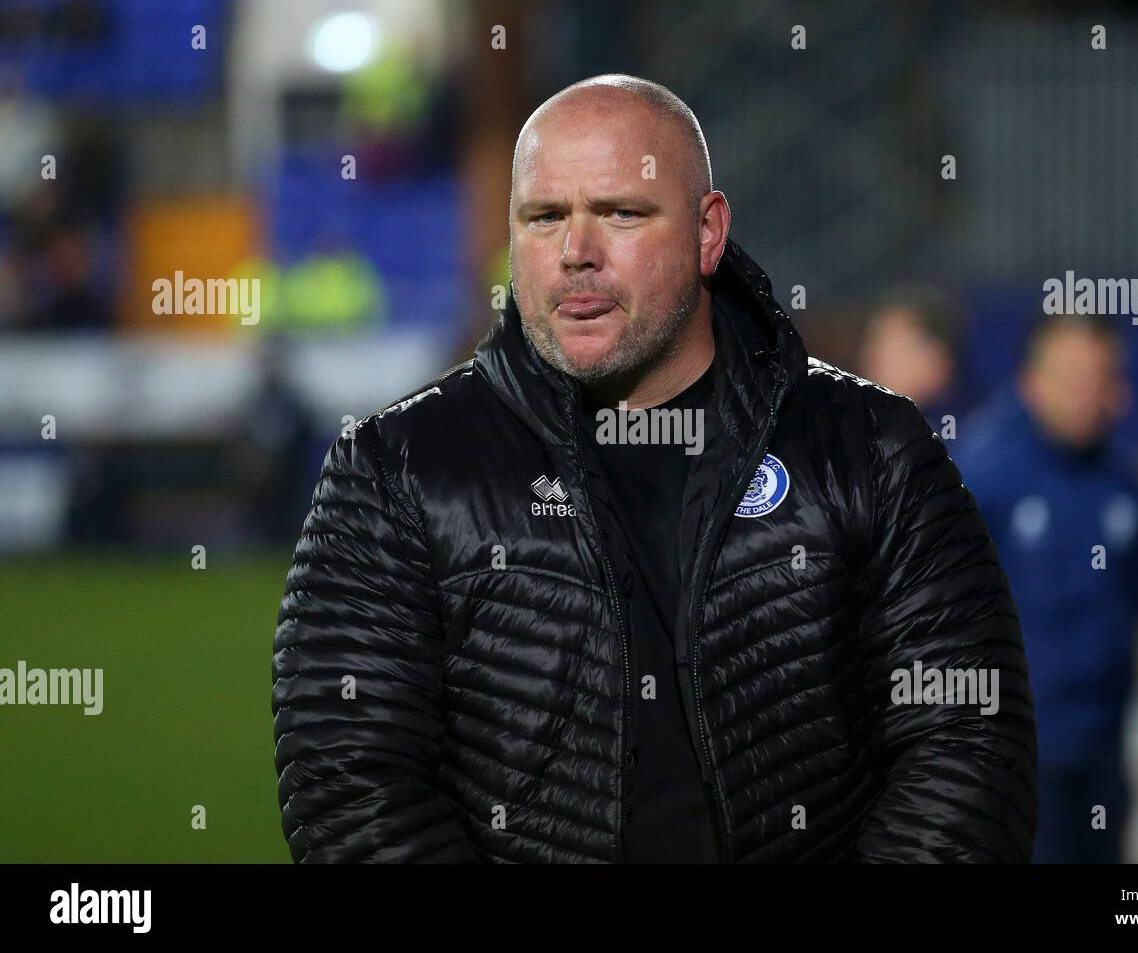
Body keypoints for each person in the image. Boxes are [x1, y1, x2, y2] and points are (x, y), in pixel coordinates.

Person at [271, 74, 1036, 863]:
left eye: (620, 213)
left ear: (708, 232)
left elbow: (968, 741)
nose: (576, 253)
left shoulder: (871, 449)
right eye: (544, 218)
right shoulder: (395, 469)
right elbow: (347, 782)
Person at [953, 311, 1138, 863]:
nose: (1086, 397)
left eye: (1100, 380)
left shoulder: (1127, 486)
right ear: (1030, 382)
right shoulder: (983, 475)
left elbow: (1137, 596)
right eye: (1072, 379)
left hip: (1101, 748)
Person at [855, 284, 968, 434]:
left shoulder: (965, 431)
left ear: (936, 358)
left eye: (892, 348)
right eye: (871, 343)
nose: (869, 358)